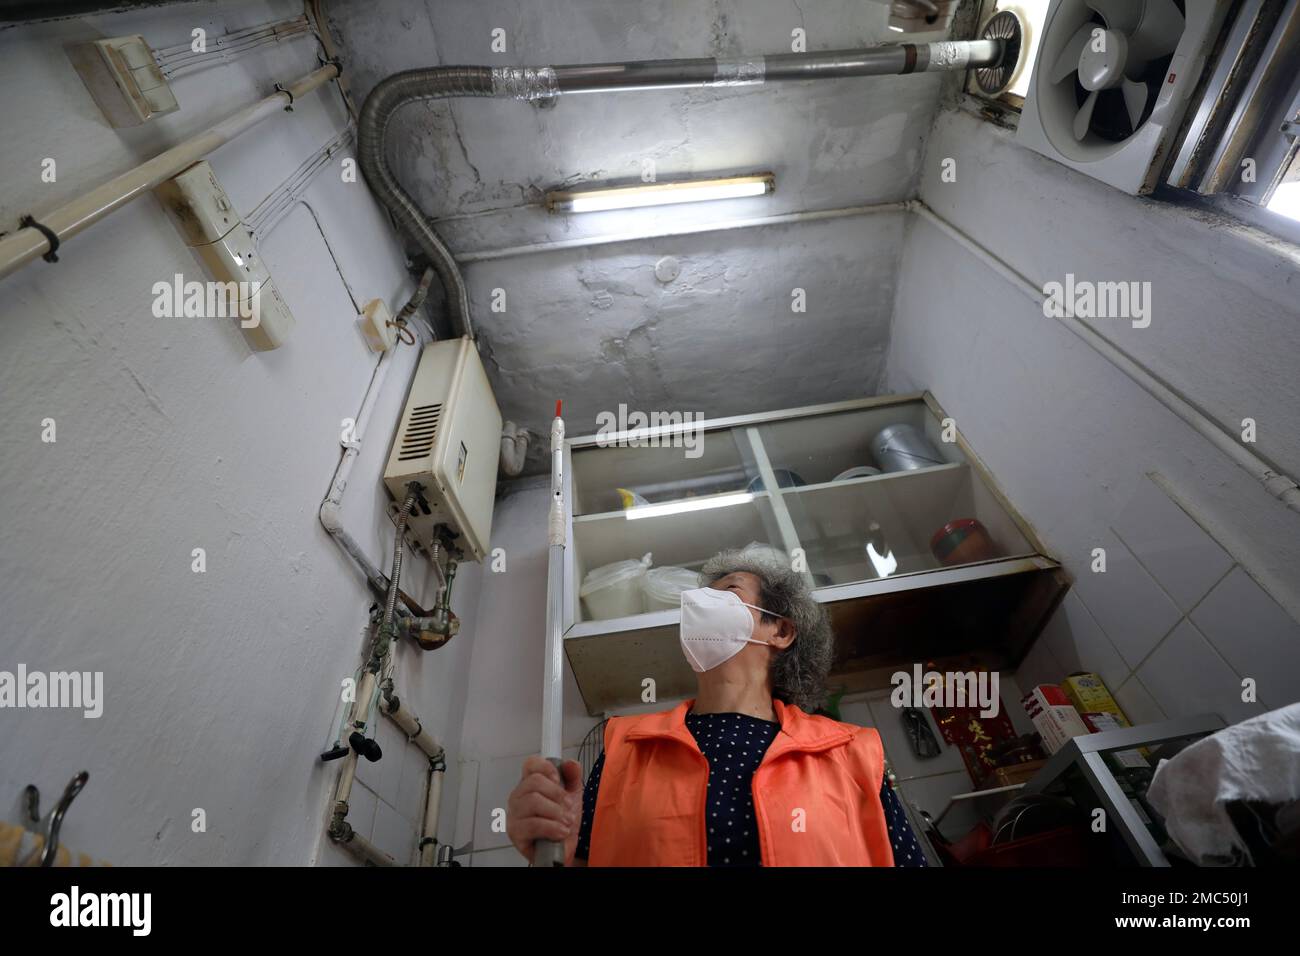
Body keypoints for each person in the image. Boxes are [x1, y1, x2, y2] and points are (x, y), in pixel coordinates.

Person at [506, 545, 927, 866]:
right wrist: (554, 852)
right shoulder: (625, 747)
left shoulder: (849, 753)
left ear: (779, 630)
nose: (697, 604)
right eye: (698, 595)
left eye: (726, 591)